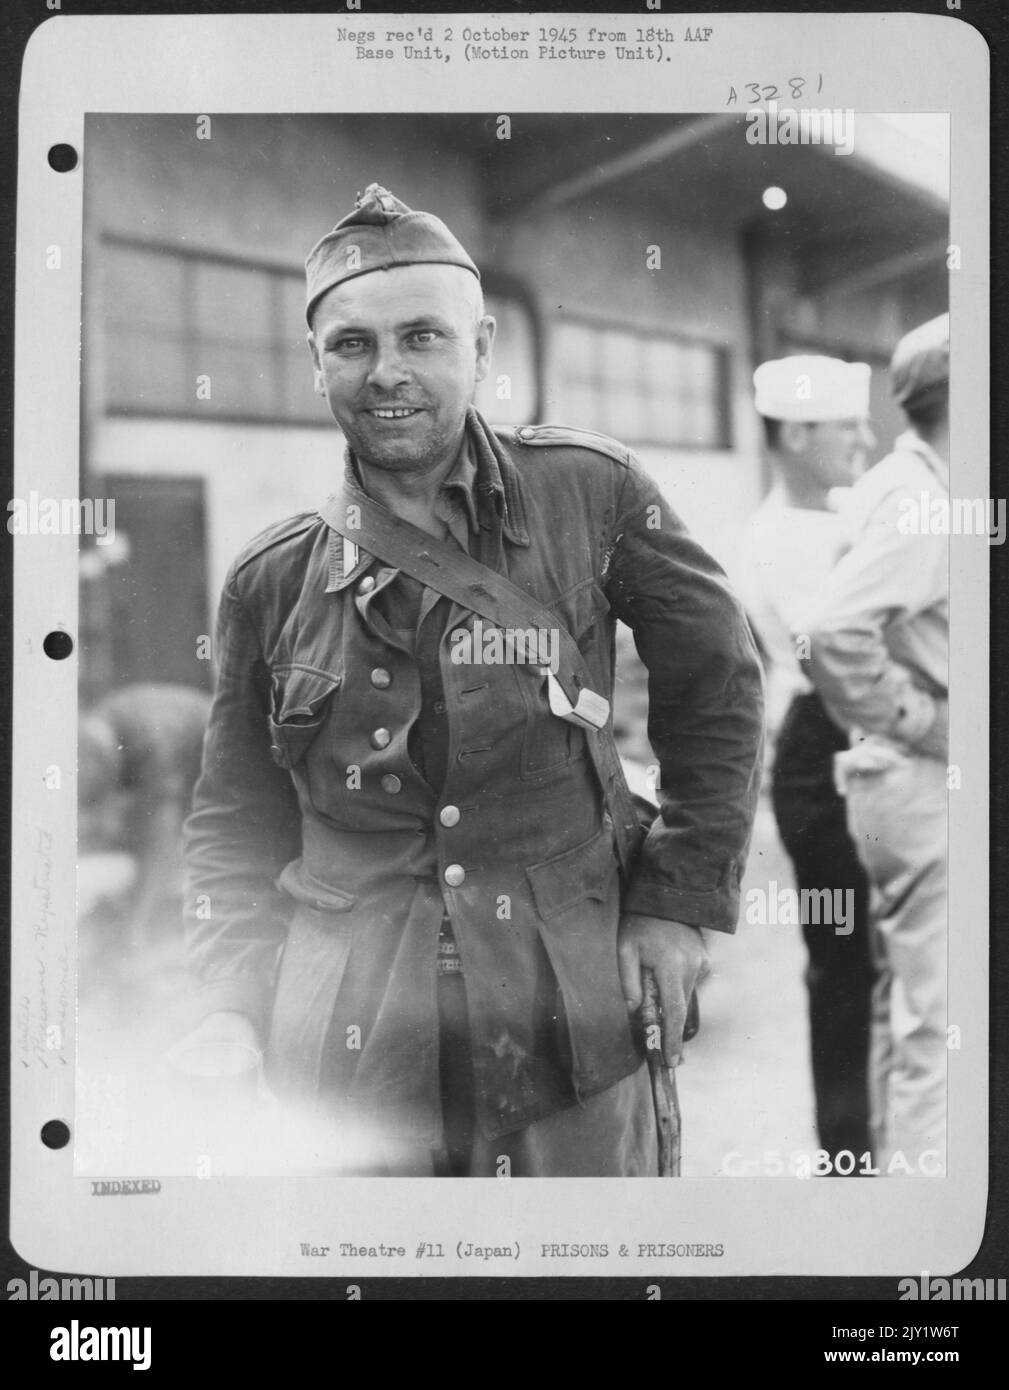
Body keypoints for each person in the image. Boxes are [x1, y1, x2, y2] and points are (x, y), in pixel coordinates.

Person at [176, 183, 765, 1176]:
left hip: (566, 1007)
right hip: (350, 1040)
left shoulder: (595, 492)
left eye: (422, 338)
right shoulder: (270, 578)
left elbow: (719, 681)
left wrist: (676, 898)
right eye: (353, 345)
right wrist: (229, 1002)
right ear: (314, 361)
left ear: (482, 348)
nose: (388, 372)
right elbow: (235, 816)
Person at [795, 314, 949, 1176]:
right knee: (940, 1033)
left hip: (894, 783)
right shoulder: (925, 501)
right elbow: (830, 633)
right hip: (920, 780)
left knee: (910, 1014)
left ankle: (889, 1196)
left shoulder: (906, 482)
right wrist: (925, 720)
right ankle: (924, 1226)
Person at [739, 356, 876, 1171]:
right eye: (845, 425)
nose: (864, 438)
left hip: (855, 740)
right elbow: (844, 661)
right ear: (794, 433)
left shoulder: (851, 511)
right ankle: (846, 1155)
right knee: (842, 963)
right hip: (819, 754)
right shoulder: (781, 538)